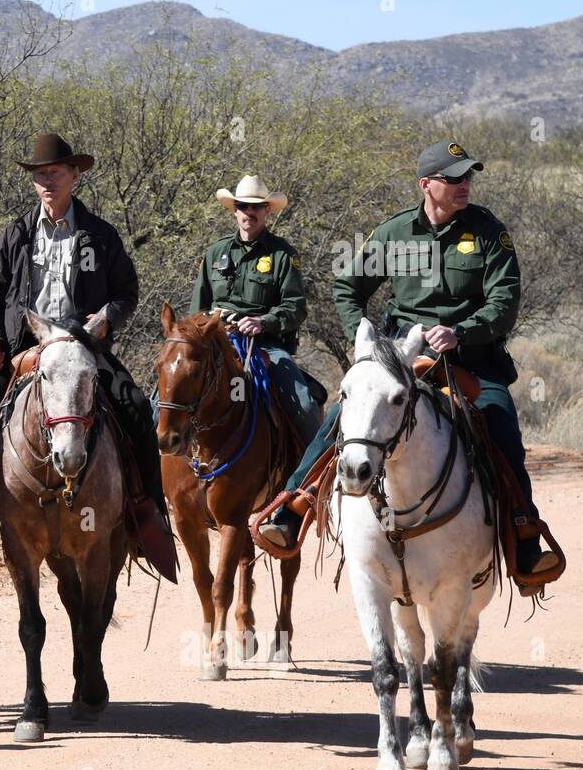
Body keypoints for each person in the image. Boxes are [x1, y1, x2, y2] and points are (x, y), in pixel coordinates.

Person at [257, 140, 558, 595]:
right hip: (400, 358)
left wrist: (463, 330)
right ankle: (294, 504)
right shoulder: (394, 233)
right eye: (453, 178)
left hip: (469, 361)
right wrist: (366, 343)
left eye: (467, 177)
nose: (464, 185)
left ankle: (523, 533)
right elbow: (348, 287)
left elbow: (505, 300)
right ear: (426, 185)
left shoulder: (488, 232)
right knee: (345, 416)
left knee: (501, 425)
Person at [0, 132, 175, 578]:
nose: (46, 181)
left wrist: (106, 319)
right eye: (39, 175)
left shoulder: (100, 235)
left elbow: (126, 292)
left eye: (54, 173)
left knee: (133, 405)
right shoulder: (16, 234)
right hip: (26, 351)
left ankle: (145, 512)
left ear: (75, 176)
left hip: (82, 349)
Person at [191, 175, 324, 445]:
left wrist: (264, 322)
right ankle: (154, 482)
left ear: (267, 210)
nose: (248, 212)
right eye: (242, 206)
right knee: (161, 400)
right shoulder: (215, 253)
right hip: (215, 342)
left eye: (256, 207)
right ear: (235, 210)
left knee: (306, 408)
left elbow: (295, 307)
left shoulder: (283, 255)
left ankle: (311, 479)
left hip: (266, 347)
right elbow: (197, 309)